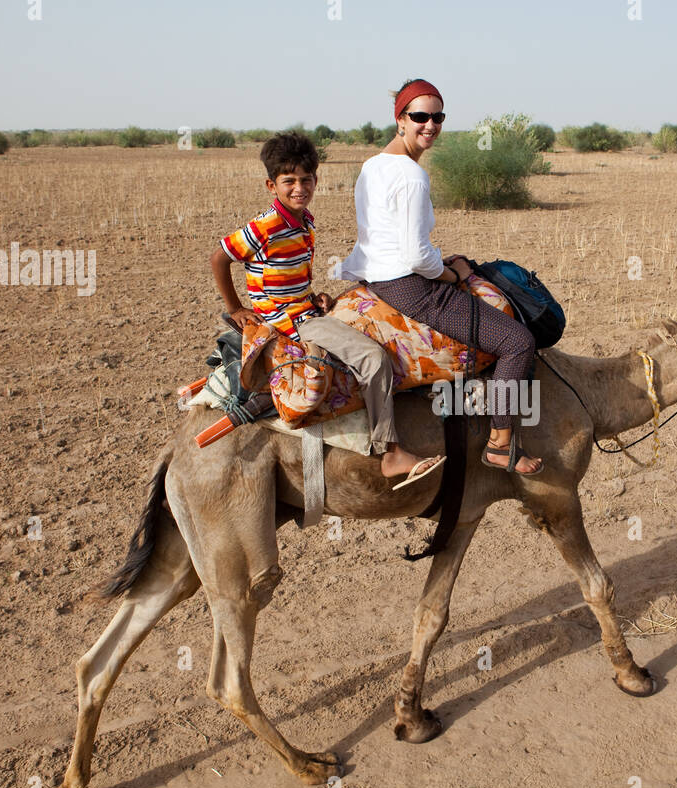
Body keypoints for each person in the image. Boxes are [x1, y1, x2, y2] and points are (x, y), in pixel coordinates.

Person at [211, 130, 444, 490]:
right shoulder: (264, 226)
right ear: (271, 186)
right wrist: (236, 308)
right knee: (374, 359)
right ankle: (390, 453)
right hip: (290, 323)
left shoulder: (305, 222)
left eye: (306, 180)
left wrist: (313, 295)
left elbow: (287, 276)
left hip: (304, 308)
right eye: (289, 181)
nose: (299, 188)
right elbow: (219, 258)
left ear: (316, 180)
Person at [339, 79, 543, 475]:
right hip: (412, 287)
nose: (429, 125)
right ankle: (501, 444)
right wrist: (450, 274)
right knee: (518, 341)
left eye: (438, 117)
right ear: (400, 119)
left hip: (377, 279)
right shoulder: (412, 176)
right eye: (419, 116)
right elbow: (416, 255)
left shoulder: (372, 165)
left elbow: (382, 236)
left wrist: (440, 261)